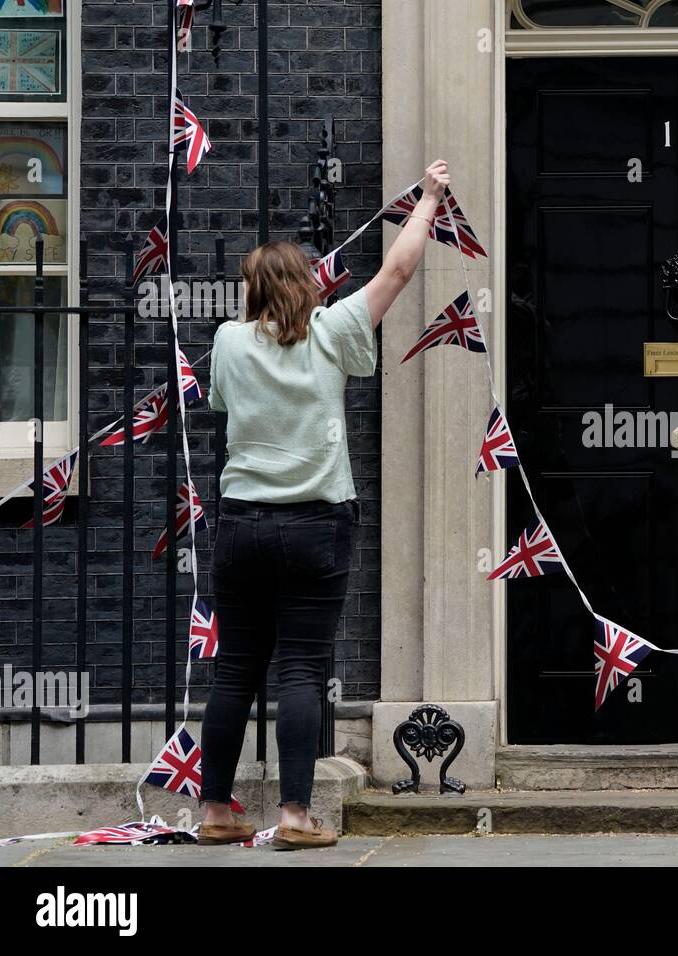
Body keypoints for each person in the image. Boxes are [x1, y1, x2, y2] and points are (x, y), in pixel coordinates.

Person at [196, 159, 452, 849]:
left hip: (242, 523)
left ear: (251, 290)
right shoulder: (333, 331)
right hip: (315, 523)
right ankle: (295, 815)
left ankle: (216, 811)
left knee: (235, 667)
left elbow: (219, 403)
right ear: (307, 285)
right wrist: (428, 198)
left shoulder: (226, 341)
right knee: (303, 668)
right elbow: (395, 273)